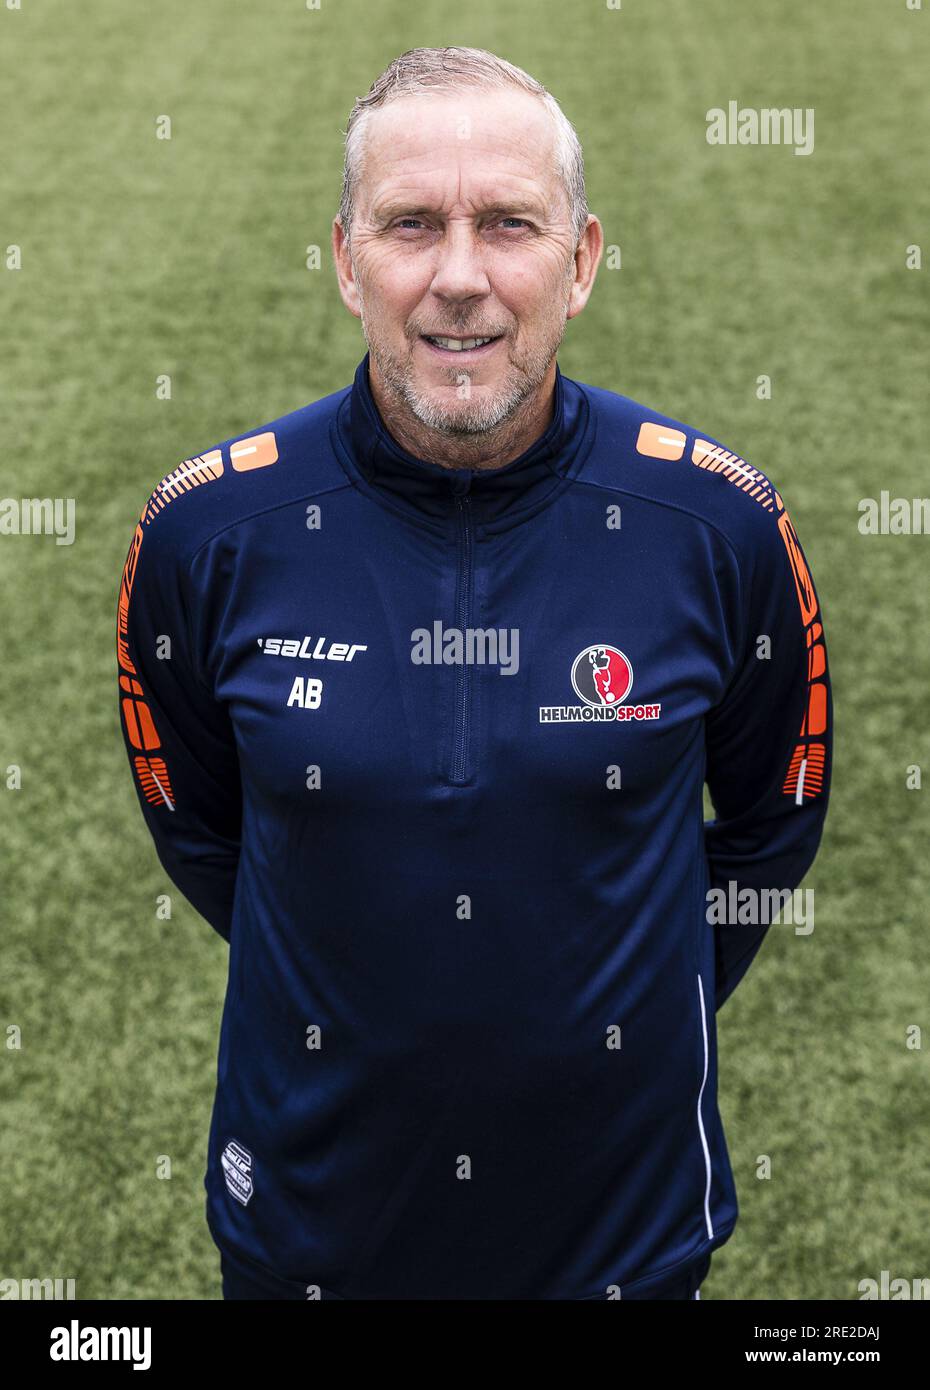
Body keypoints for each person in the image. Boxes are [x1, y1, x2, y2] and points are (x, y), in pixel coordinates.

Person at [115, 46, 832, 1301]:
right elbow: (204, 833)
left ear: (583, 260)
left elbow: (775, 821)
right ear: (345, 260)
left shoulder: (718, 525)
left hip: (624, 1243)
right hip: (311, 1239)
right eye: (409, 226)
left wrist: (630, 991)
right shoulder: (205, 536)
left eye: (509, 224)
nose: (459, 278)